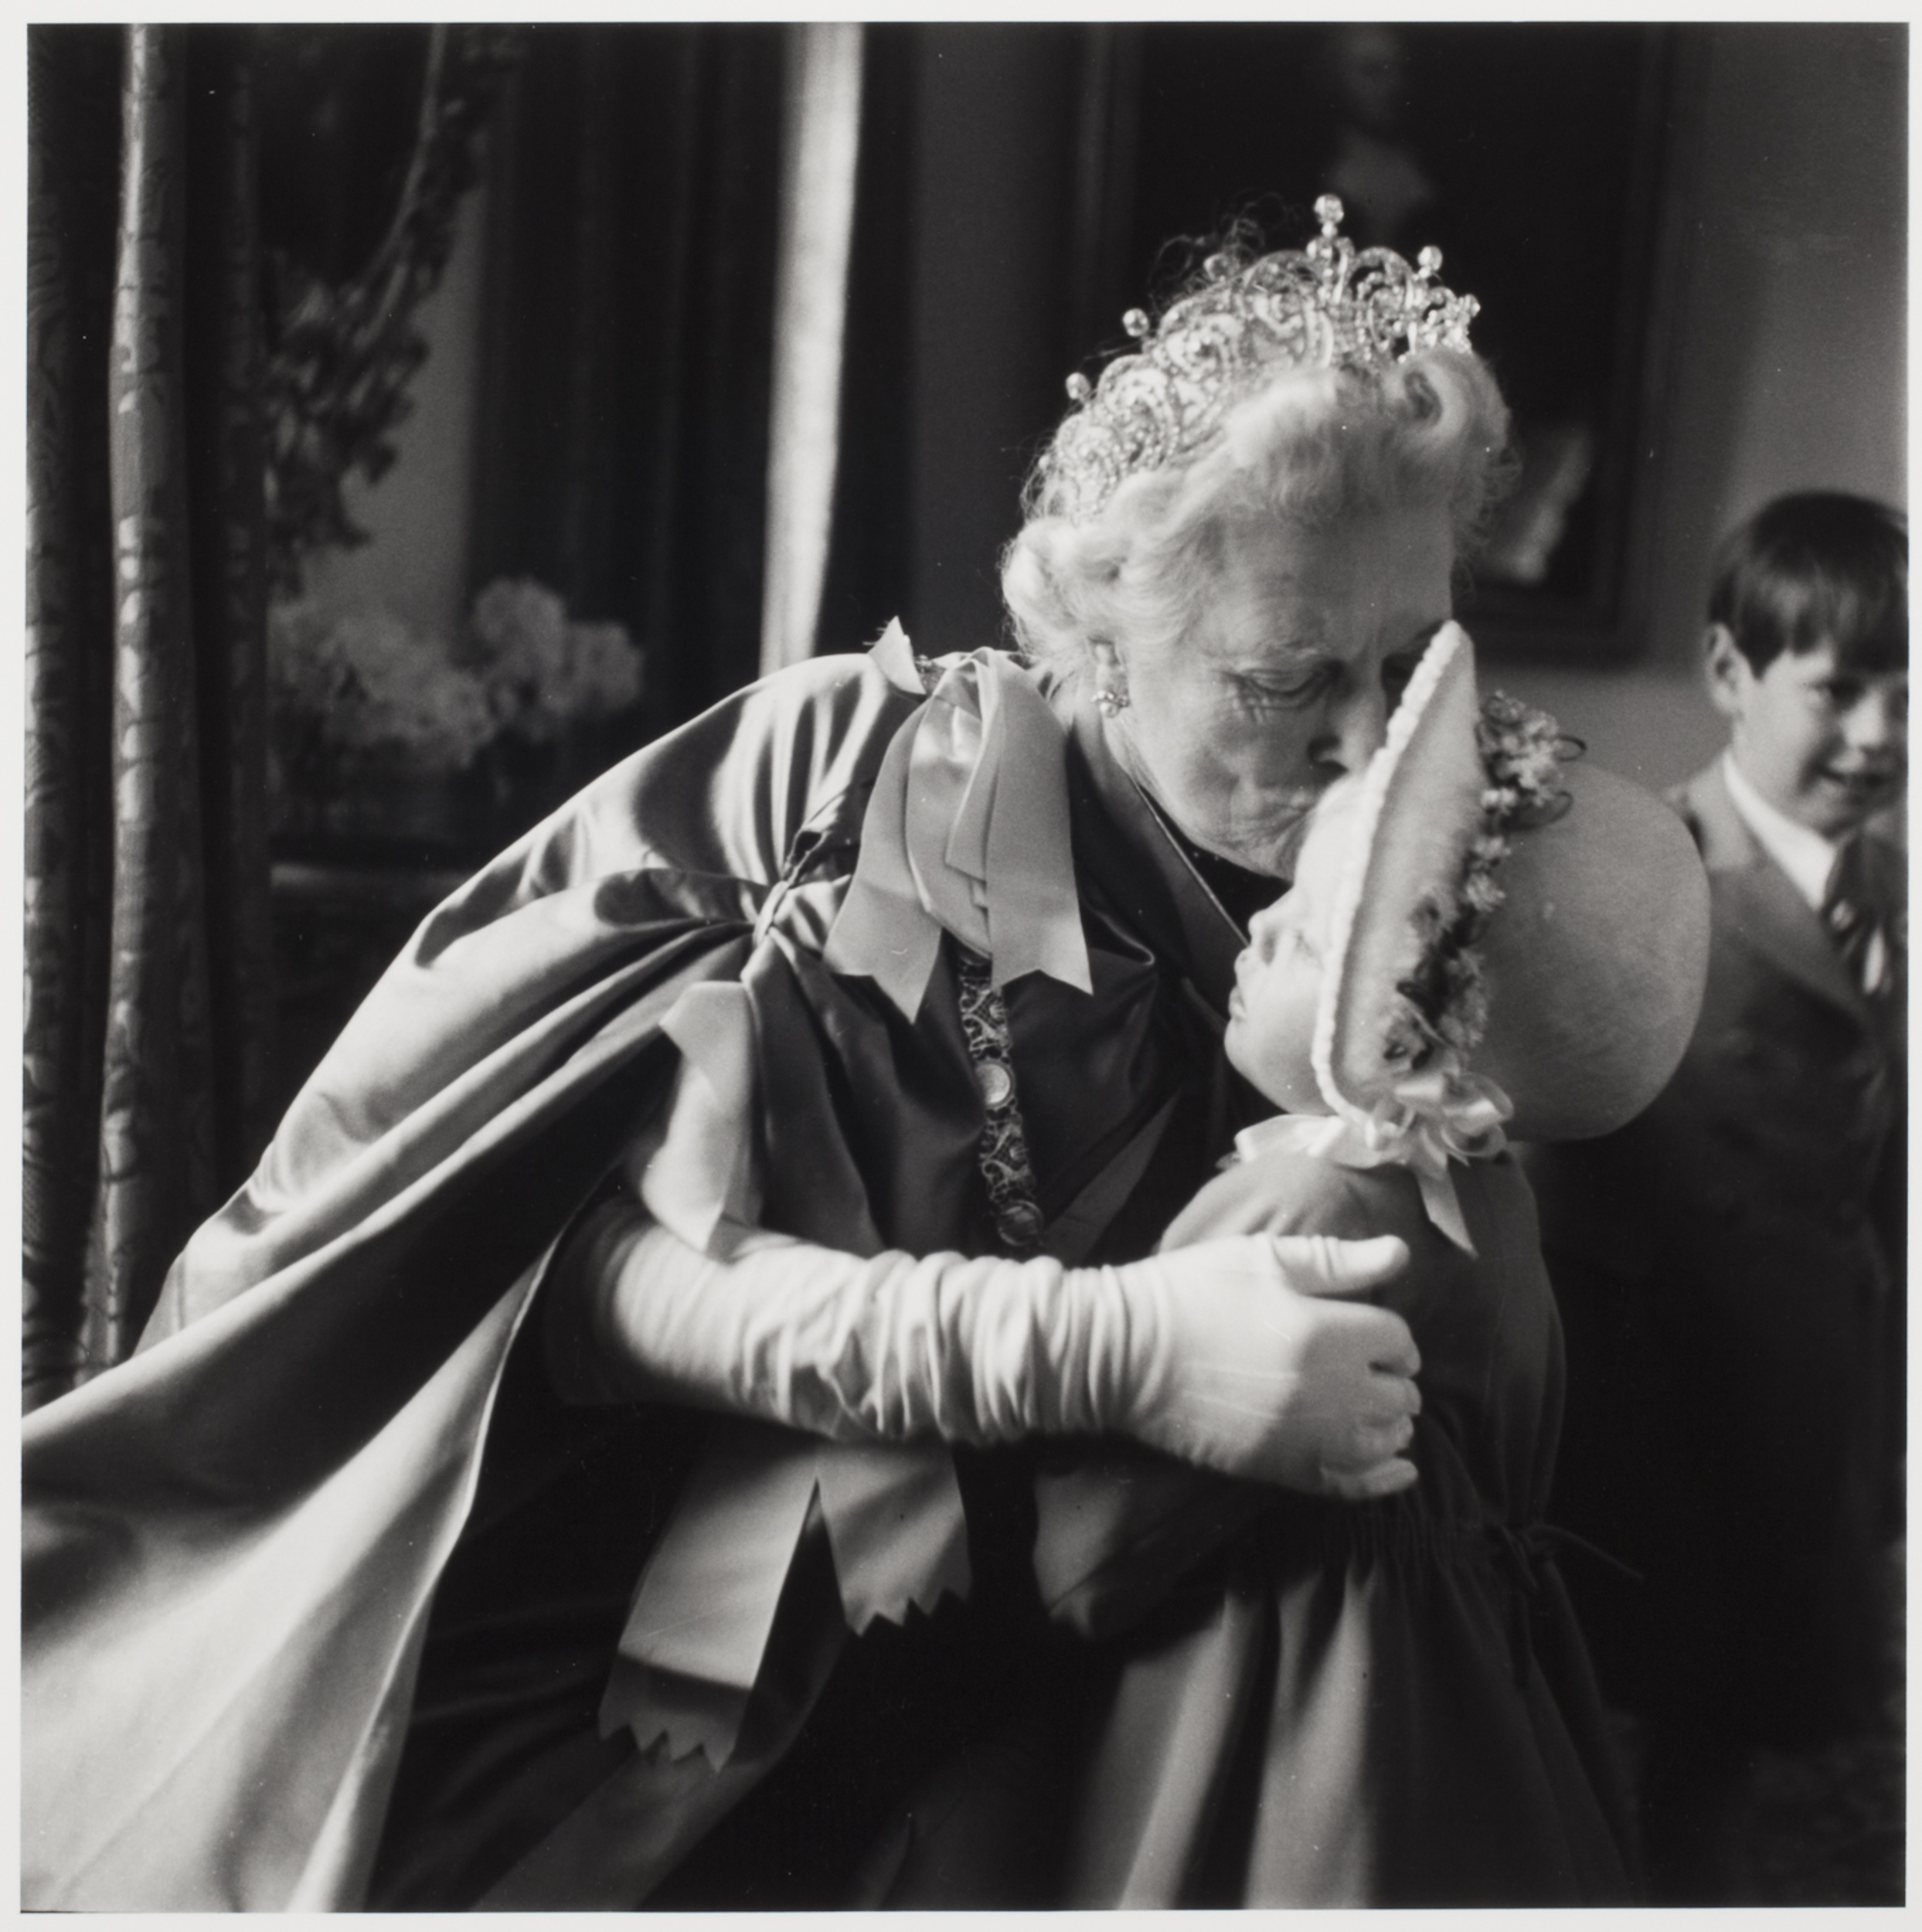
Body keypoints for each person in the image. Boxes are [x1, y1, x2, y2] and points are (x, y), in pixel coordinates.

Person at [22, 198, 1524, 1909]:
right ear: (1103, 631)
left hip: (1040, 1673)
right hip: (634, 1659)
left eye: (1403, 664)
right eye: (1281, 678)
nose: (1357, 743)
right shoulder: (838, 784)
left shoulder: (1383, 897)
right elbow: (578, 1280)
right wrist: (1112, 1347)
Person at [1000, 622, 1706, 1904]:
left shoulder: (1304, 1206)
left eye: (1310, 942)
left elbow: (1092, 1561)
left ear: (1416, 1048)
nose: (1258, 942)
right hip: (1473, 1716)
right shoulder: (1493, 1208)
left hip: (1281, 1731)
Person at [1527, 492, 1907, 1900]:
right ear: (1734, 675)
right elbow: (1562, 1175)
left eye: (1910, 698)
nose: (1879, 737)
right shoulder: (1647, 872)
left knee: (1744, 1788)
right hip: (1668, 1434)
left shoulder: (1898, 891)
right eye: (1841, 690)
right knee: (1621, 1783)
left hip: (1821, 1419)